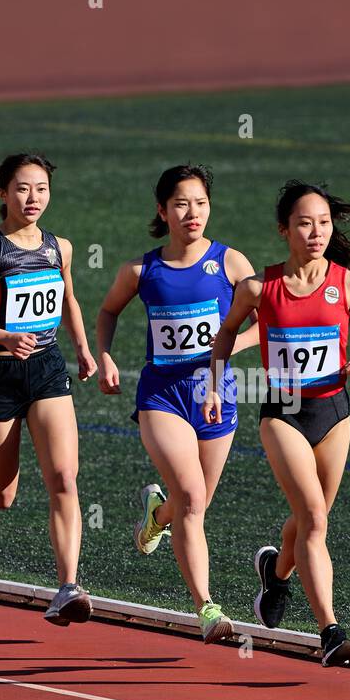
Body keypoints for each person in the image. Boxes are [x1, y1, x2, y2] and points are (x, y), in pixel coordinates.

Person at [203, 179, 350, 666]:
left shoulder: (348, 284)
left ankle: (276, 573)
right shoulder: (258, 288)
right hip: (283, 409)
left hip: (334, 411)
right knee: (312, 518)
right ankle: (330, 631)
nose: (316, 232)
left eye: (324, 223)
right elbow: (226, 337)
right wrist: (213, 385)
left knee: (314, 520)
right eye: (305, 223)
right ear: (284, 230)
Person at [95, 163, 259, 643]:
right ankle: (207, 608)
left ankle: (155, 515)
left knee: (195, 503)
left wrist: (227, 348)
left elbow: (265, 321)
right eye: (182, 204)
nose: (193, 213)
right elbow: (107, 310)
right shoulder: (142, 270)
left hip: (217, 394)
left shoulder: (231, 263)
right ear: (162, 210)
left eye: (201, 203)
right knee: (191, 495)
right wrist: (105, 356)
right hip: (162, 397)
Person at [0, 152, 97, 626]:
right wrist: (3, 336)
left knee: (64, 478)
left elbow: (68, 299)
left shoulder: (59, 247)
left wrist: (84, 350)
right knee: (2, 494)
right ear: (3, 193)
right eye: (23, 189)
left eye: (42, 188)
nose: (33, 198)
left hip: (47, 370)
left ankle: (67, 587)